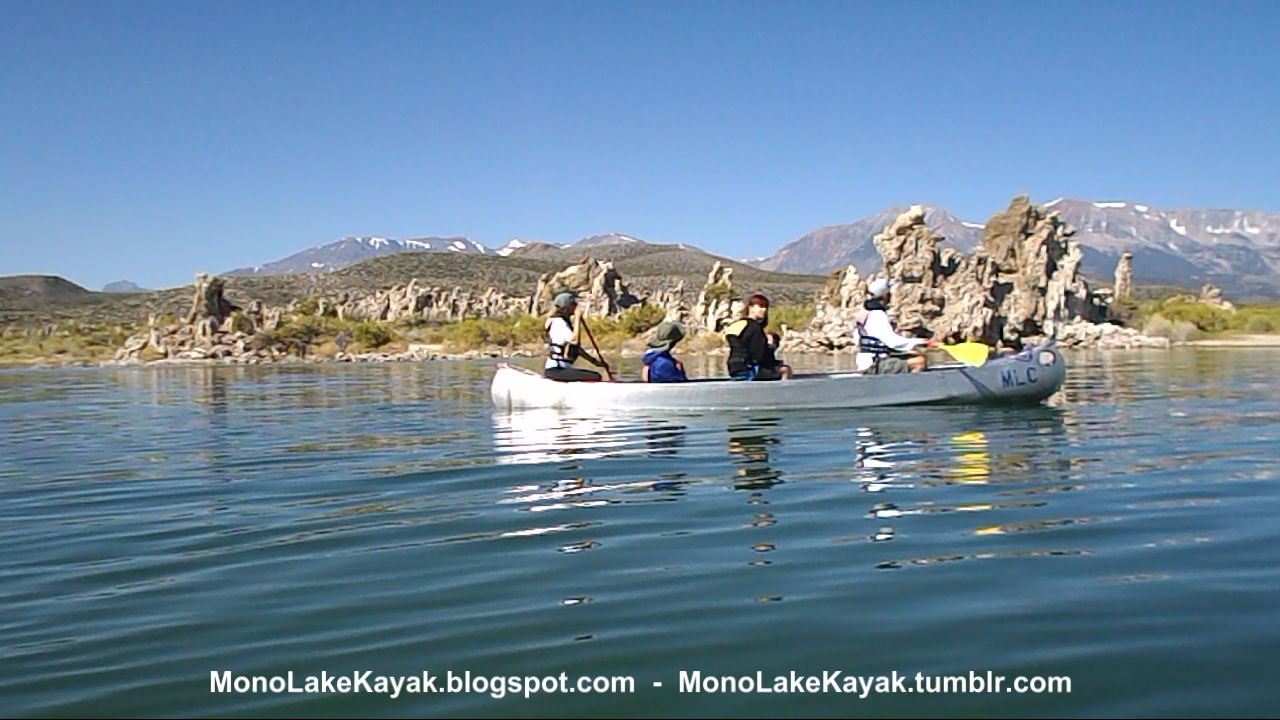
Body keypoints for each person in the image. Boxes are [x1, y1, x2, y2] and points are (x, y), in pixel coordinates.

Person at [853, 278, 937, 373]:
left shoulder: (865, 313)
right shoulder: (878, 315)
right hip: (873, 364)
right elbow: (893, 342)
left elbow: (857, 341)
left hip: (865, 362)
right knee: (919, 361)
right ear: (885, 295)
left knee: (913, 355)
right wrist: (921, 341)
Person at [723, 294, 792, 381]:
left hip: (734, 369)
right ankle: (783, 392)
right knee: (785, 370)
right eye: (760, 306)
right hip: (749, 370)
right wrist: (771, 346)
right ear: (751, 308)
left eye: (765, 307)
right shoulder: (754, 327)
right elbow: (758, 355)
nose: (764, 310)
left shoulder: (738, 325)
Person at [544, 292, 611, 381]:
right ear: (566, 307)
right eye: (573, 304)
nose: (576, 307)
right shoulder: (558, 322)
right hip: (556, 369)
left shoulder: (562, 322)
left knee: (593, 375)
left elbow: (577, 349)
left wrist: (596, 362)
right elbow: (574, 340)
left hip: (562, 369)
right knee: (596, 376)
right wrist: (577, 318)